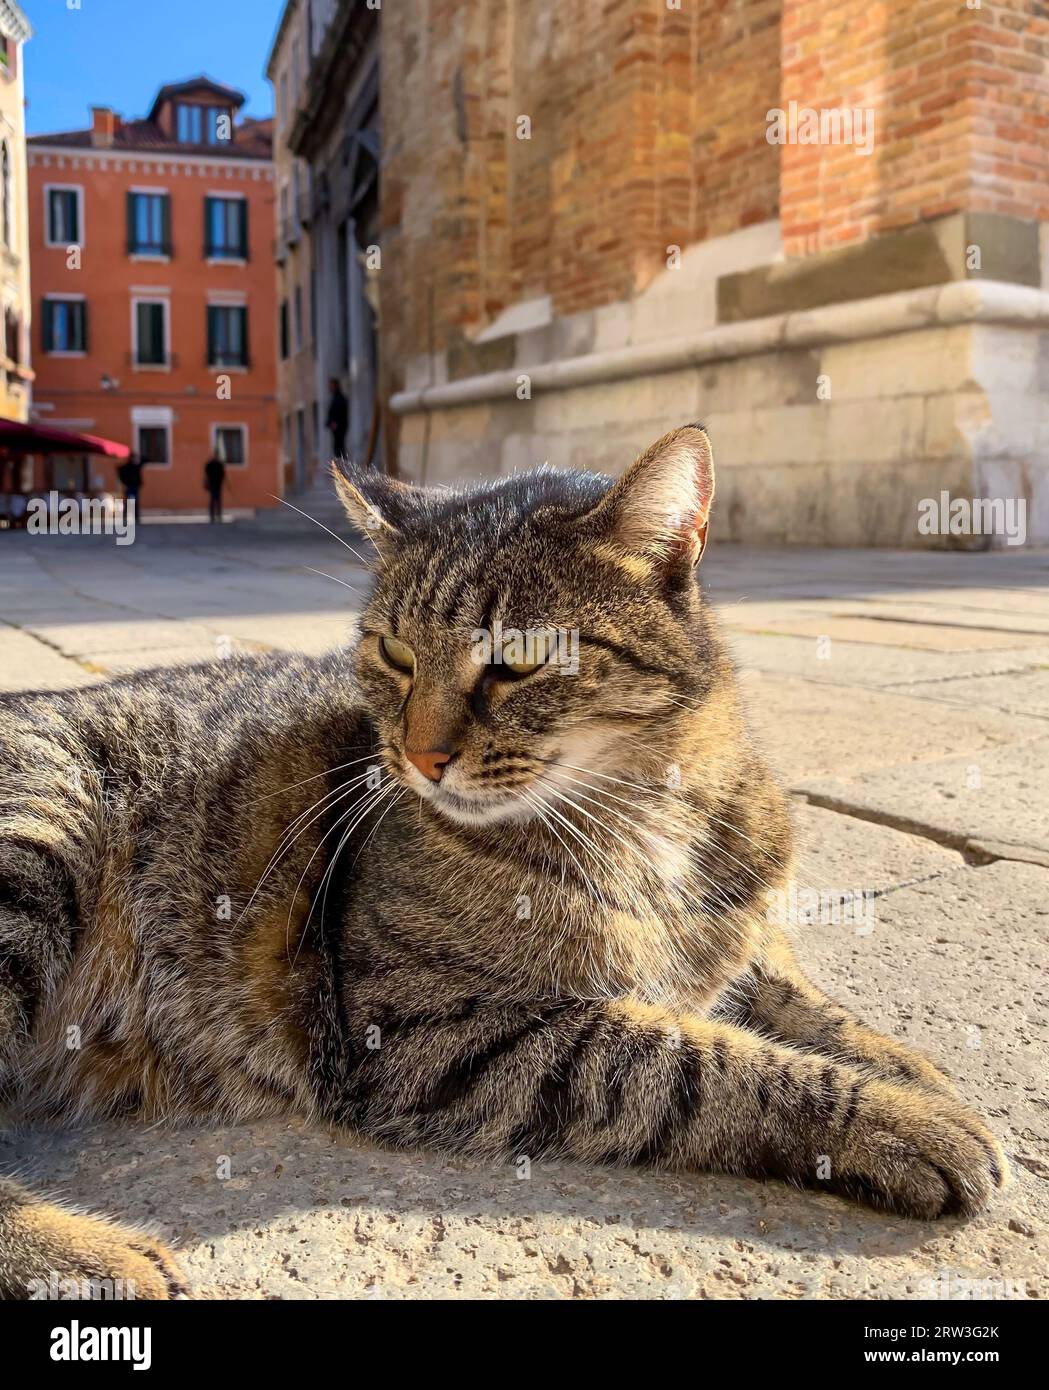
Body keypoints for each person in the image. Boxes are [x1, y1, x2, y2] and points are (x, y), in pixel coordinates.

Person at [326, 377, 348, 460]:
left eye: (331, 386)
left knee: (339, 450)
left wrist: (336, 424)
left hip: (340, 429)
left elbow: (340, 414)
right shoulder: (335, 398)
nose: (330, 388)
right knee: (337, 449)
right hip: (337, 429)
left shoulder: (340, 399)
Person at [117, 454, 144, 522]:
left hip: (134, 487)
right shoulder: (129, 467)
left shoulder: (135, 466)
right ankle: (129, 515)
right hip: (130, 487)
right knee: (130, 501)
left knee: (133, 501)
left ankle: (133, 516)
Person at [204, 453, 226, 524]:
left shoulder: (217, 464)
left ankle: (217, 515)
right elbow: (223, 474)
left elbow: (223, 474)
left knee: (216, 500)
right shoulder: (213, 464)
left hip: (216, 484)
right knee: (214, 500)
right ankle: (214, 516)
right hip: (214, 484)